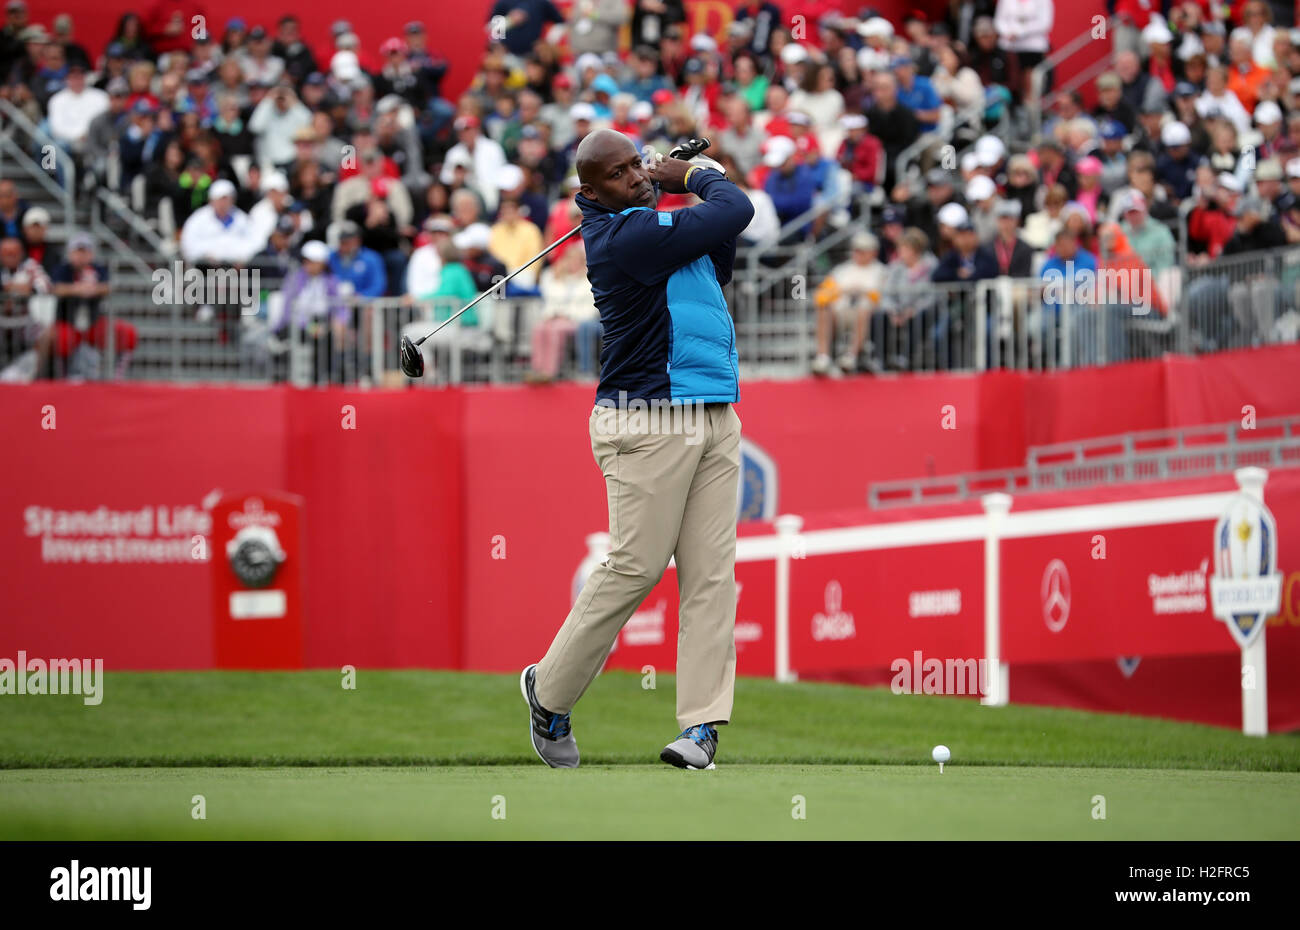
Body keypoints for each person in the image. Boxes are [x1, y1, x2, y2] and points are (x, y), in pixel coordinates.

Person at [522, 129, 752, 771]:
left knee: (712, 577)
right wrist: (695, 173)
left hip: (713, 413)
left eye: (638, 165)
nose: (638, 177)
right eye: (621, 174)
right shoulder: (624, 238)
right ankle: (548, 694)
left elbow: (720, 243)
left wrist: (682, 182)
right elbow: (734, 207)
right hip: (645, 421)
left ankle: (701, 728)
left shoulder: (654, 227)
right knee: (637, 567)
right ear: (589, 194)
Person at [811, 231, 885, 375]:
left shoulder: (881, 271)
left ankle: (851, 357)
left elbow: (881, 296)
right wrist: (843, 291)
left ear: (873, 252)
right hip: (840, 311)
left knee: (863, 309)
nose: (858, 254)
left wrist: (862, 291)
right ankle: (822, 357)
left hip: (866, 314)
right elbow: (822, 294)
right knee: (823, 310)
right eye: (856, 250)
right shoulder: (841, 270)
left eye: (863, 251)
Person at [528, 239, 599, 382]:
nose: (573, 263)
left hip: (577, 320)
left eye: (576, 260)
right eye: (570, 259)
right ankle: (537, 369)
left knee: (556, 330)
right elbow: (549, 302)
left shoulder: (589, 280)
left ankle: (550, 372)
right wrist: (552, 315)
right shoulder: (555, 279)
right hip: (555, 318)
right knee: (540, 328)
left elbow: (592, 309)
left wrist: (566, 315)